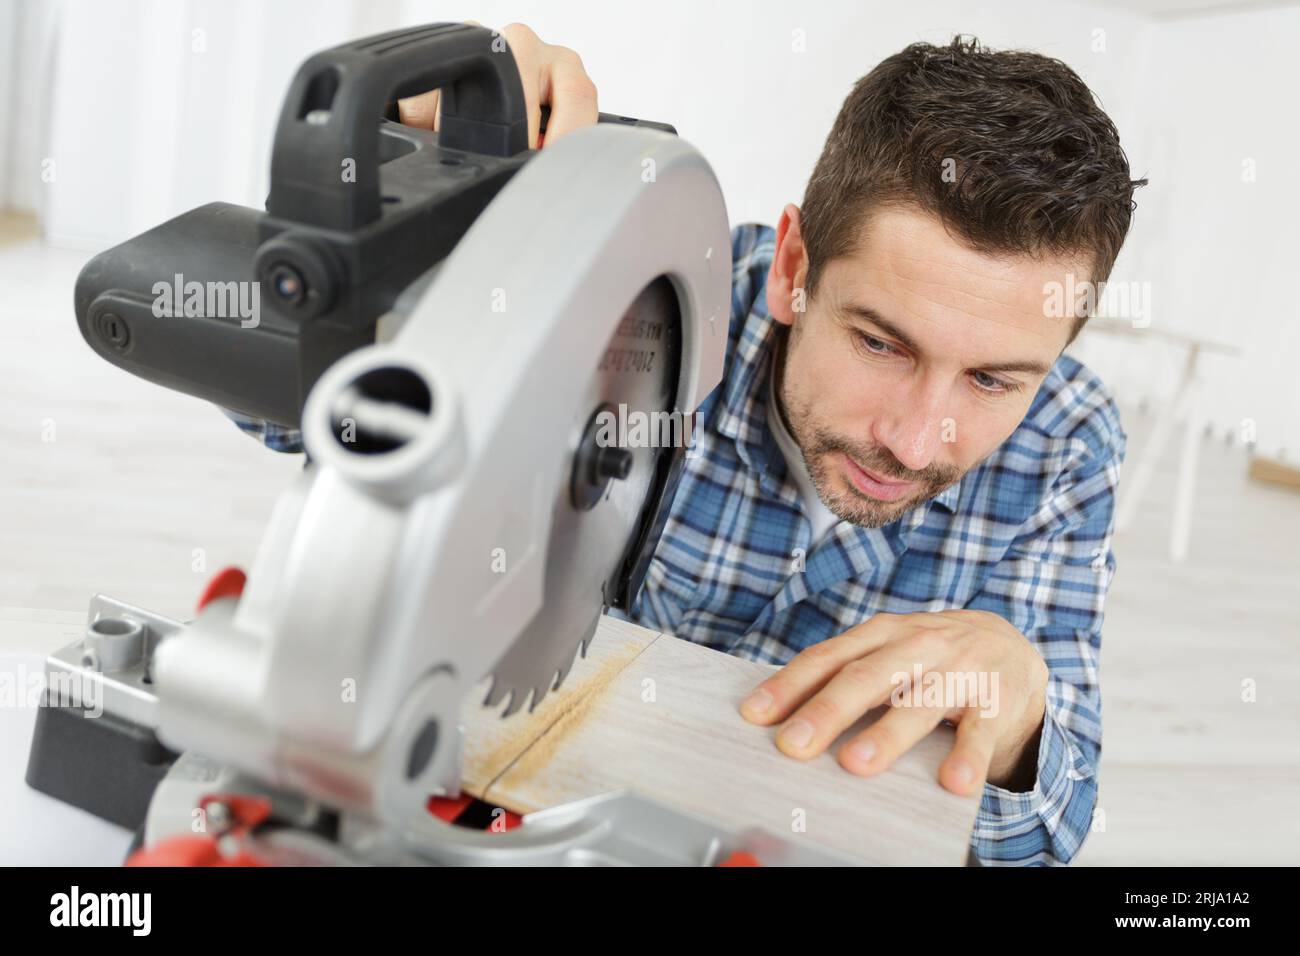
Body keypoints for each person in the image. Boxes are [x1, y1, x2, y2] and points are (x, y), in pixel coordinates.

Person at [229, 22, 1145, 865]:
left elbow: (1045, 838)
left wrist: (1019, 721)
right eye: (879, 341)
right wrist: (409, 217)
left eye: (992, 380)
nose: (913, 440)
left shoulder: (1067, 444)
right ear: (793, 268)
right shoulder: (643, 296)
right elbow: (274, 406)